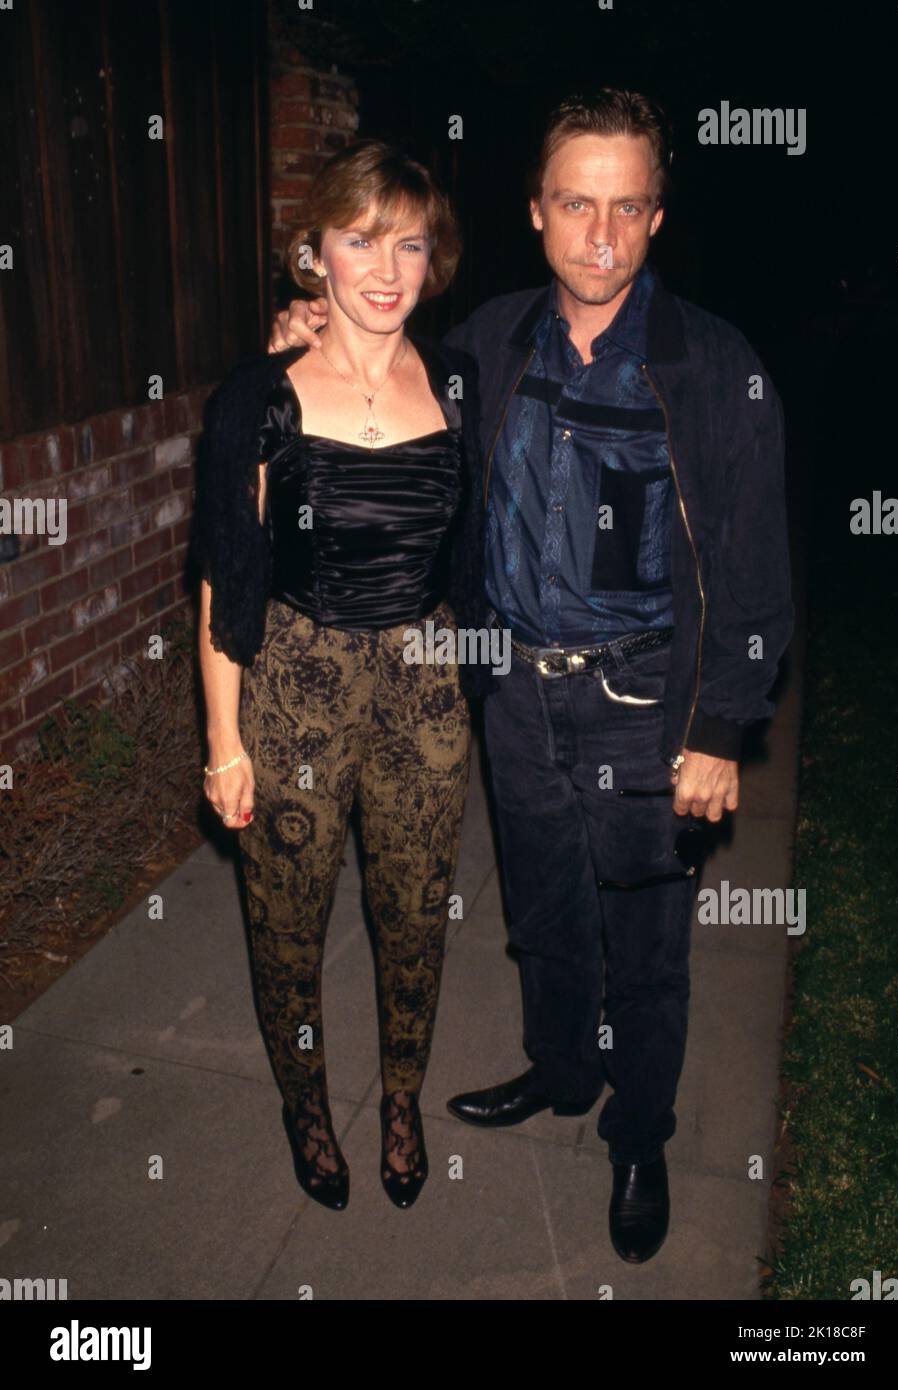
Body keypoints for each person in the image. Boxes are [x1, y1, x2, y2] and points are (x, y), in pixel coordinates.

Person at [271, 89, 794, 1260]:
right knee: (545, 917)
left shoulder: (712, 367)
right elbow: (380, 373)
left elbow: (758, 575)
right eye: (575, 203)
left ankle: (641, 1133)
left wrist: (721, 725)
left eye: (625, 207)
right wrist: (305, 333)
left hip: (640, 706)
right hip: (510, 692)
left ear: (657, 217)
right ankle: (561, 1072)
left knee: (647, 943)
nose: (599, 235)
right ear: (536, 211)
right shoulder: (490, 343)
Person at [190, 140, 482, 1212]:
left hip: (426, 682)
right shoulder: (258, 398)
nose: (386, 265)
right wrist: (223, 743)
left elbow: (480, 541)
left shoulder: (458, 380)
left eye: (410, 240)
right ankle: (306, 1101)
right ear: (313, 250)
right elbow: (226, 577)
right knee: (288, 918)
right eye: (360, 237)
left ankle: (401, 1097)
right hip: (294, 684)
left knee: (415, 910)